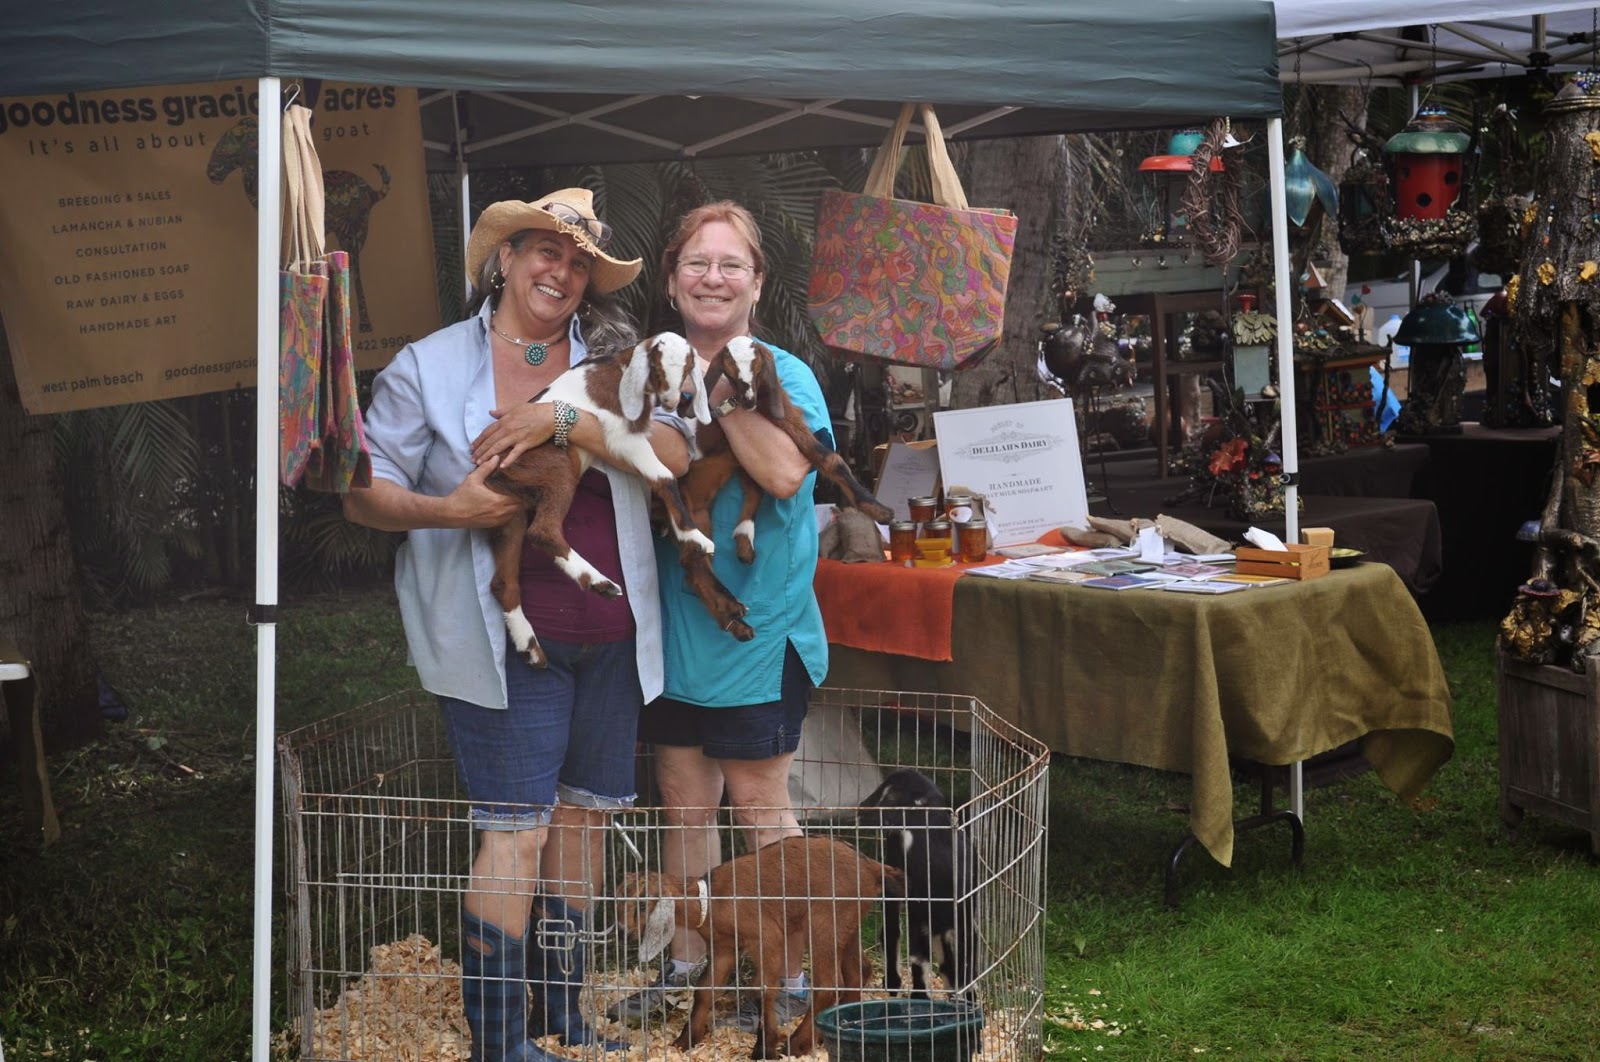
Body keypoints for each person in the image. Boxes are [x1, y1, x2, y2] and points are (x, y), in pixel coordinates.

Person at [344, 188, 693, 1062]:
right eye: (545, 252)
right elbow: (360, 490)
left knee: (582, 824)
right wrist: (447, 508)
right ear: (502, 259)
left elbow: (679, 452)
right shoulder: (426, 367)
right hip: (503, 639)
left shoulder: (612, 358)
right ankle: (500, 1044)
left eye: (578, 264)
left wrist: (564, 416)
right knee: (516, 831)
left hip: (609, 632)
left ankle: (563, 1018)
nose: (561, 272)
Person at [608, 201, 832, 1031]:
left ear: (757, 283)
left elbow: (781, 477)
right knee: (682, 802)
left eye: (730, 264)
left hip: (758, 630)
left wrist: (724, 392)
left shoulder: (788, 376)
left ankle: (789, 980)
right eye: (697, 263)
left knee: (760, 809)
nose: (713, 277)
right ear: (670, 282)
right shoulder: (645, 372)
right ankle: (690, 968)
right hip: (676, 625)